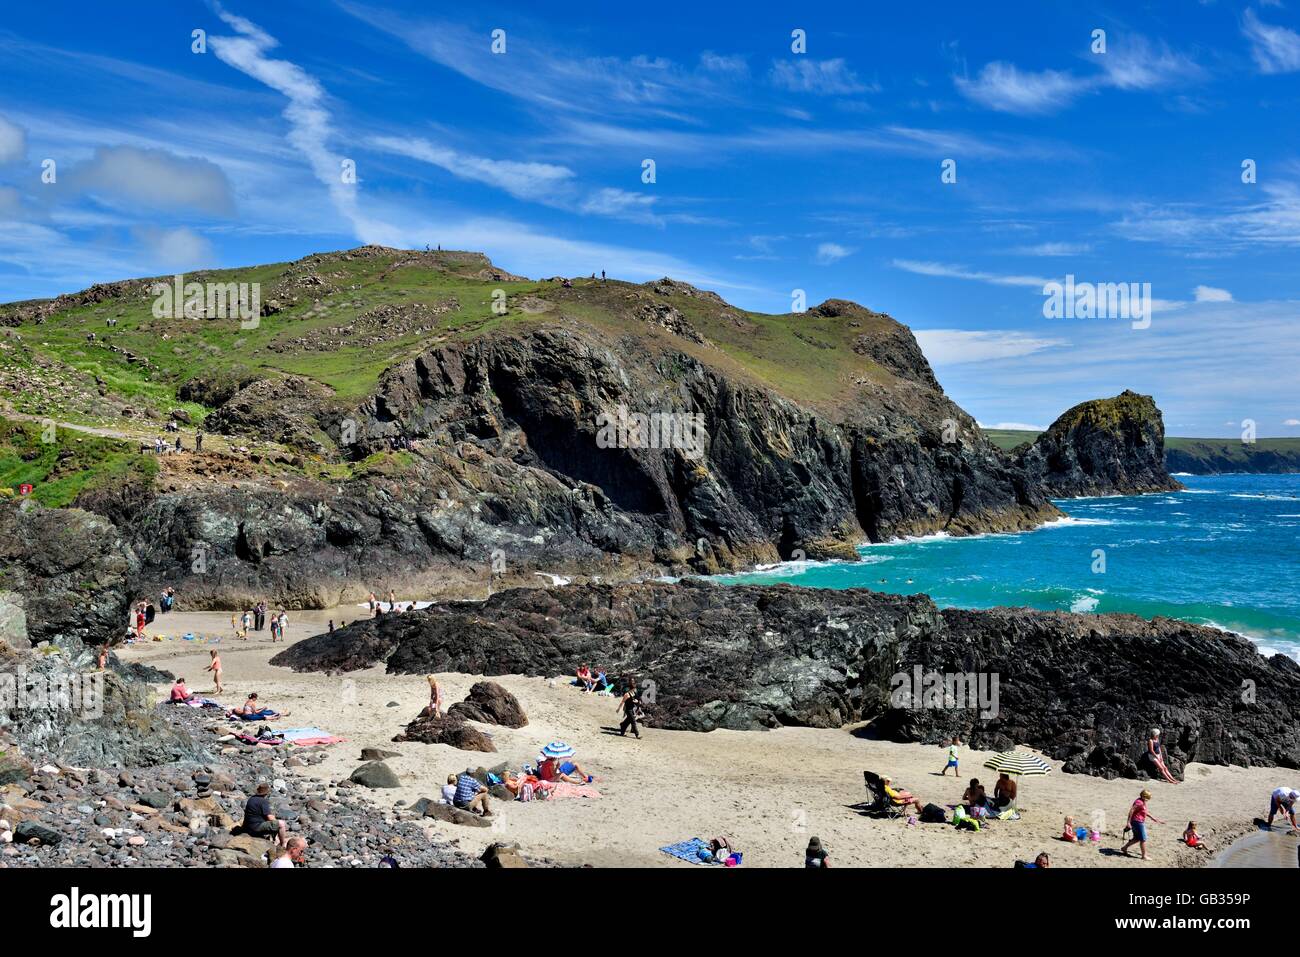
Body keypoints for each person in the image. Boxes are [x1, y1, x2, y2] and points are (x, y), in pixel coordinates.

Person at [1121, 789, 1165, 860]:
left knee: (1137, 838)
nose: (1148, 799)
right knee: (1143, 839)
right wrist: (1128, 822)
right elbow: (1131, 810)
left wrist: (1153, 818)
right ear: (1144, 796)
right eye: (1148, 798)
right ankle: (1144, 856)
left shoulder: (1142, 801)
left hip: (1137, 822)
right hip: (1137, 822)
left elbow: (1144, 811)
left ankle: (1124, 848)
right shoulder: (1139, 802)